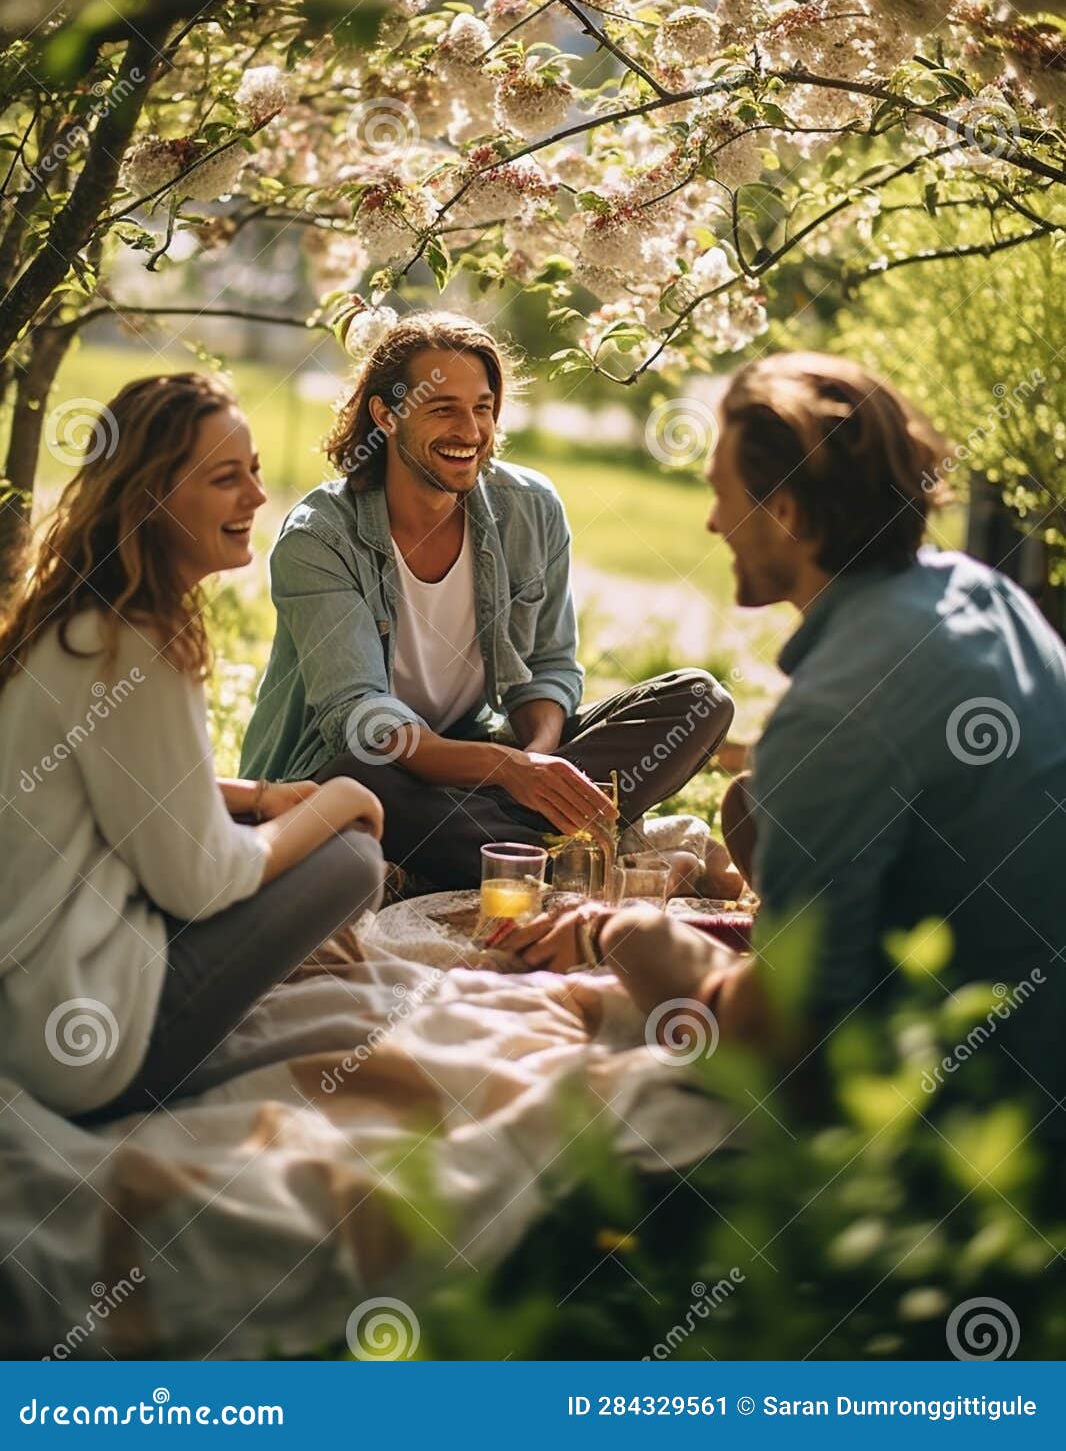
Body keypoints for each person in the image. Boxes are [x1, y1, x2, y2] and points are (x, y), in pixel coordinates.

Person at [498, 353, 1066, 1126]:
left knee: (640, 934)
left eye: (719, 493)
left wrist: (623, 935)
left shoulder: (835, 709)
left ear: (788, 511)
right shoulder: (988, 594)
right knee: (749, 806)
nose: (709, 521)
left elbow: (786, 1046)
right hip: (1017, 1013)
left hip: (968, 1107)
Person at [0, 373, 385, 1125]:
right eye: (224, 478)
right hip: (88, 1050)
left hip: (26, 1011)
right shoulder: (132, 645)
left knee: (294, 829)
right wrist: (342, 800)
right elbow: (201, 881)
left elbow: (120, 793)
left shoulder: (73, 621)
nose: (255, 498)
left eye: (255, 472)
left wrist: (259, 799)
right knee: (352, 857)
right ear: (151, 500)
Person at [240, 312, 734, 888]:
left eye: (482, 407)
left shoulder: (530, 508)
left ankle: (487, 853)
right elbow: (362, 717)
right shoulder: (320, 536)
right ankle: (563, 861)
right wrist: (509, 770)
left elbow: (548, 668)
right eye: (443, 407)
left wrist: (542, 760)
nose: (470, 431)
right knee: (359, 780)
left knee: (701, 699)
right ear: (386, 414)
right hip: (360, 776)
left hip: (475, 770)